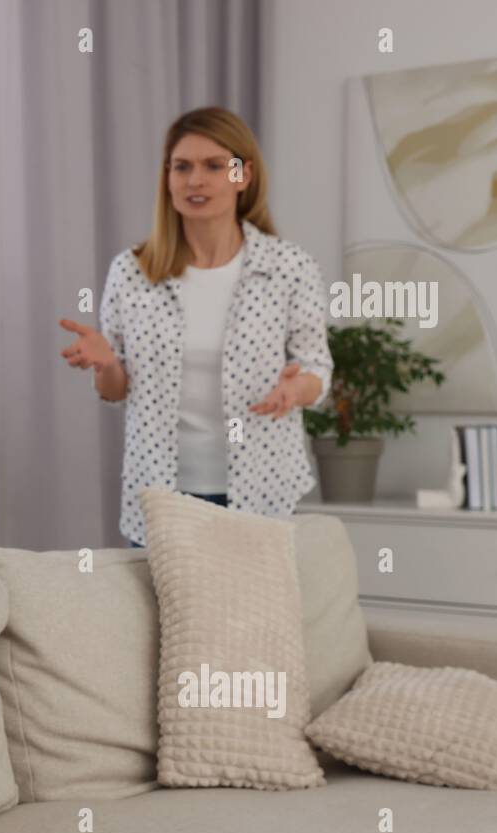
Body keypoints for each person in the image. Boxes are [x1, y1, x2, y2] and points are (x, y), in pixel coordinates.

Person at [59, 106, 334, 547]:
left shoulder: (289, 267)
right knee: (166, 618)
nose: (195, 180)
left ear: (243, 176)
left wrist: (294, 389)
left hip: (261, 490)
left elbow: (317, 368)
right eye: (181, 167)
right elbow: (114, 391)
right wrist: (107, 363)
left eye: (213, 166)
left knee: (253, 617)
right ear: (167, 178)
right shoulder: (132, 271)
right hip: (161, 493)